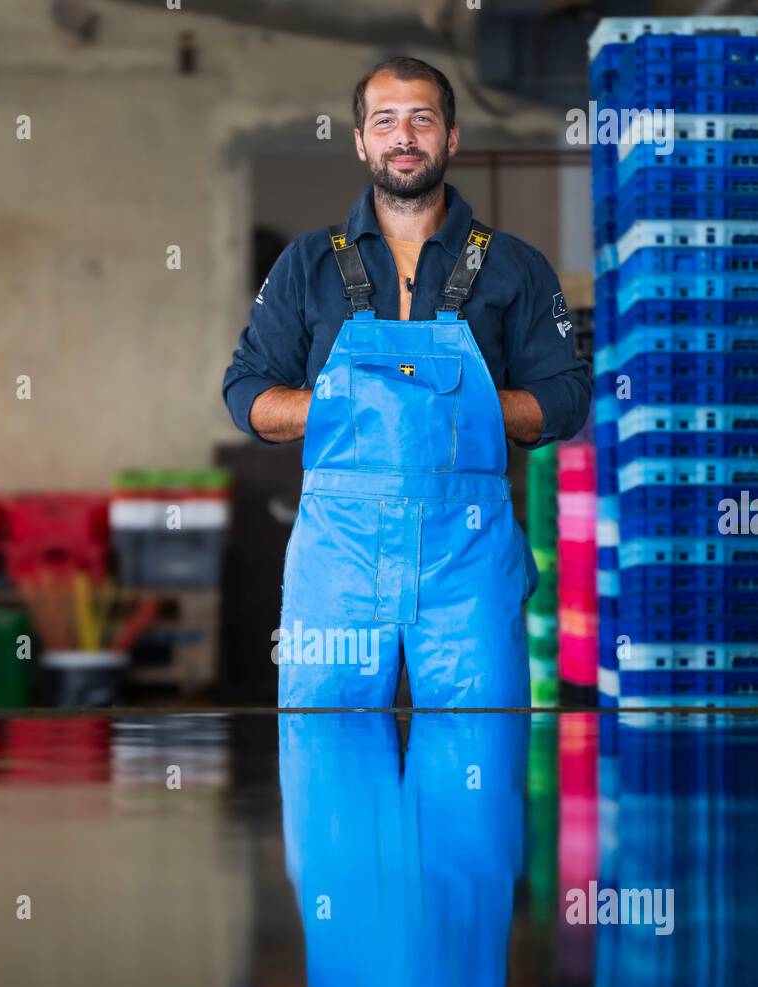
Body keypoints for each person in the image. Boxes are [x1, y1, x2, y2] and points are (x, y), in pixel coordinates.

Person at [223, 56, 592, 708]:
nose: (404, 137)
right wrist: (342, 404)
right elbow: (246, 393)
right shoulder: (307, 264)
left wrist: (470, 403)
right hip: (338, 555)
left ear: (451, 138)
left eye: (422, 119)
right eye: (385, 121)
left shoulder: (515, 267)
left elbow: (564, 400)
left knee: (477, 742)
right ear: (361, 140)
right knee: (328, 746)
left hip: (468, 551)